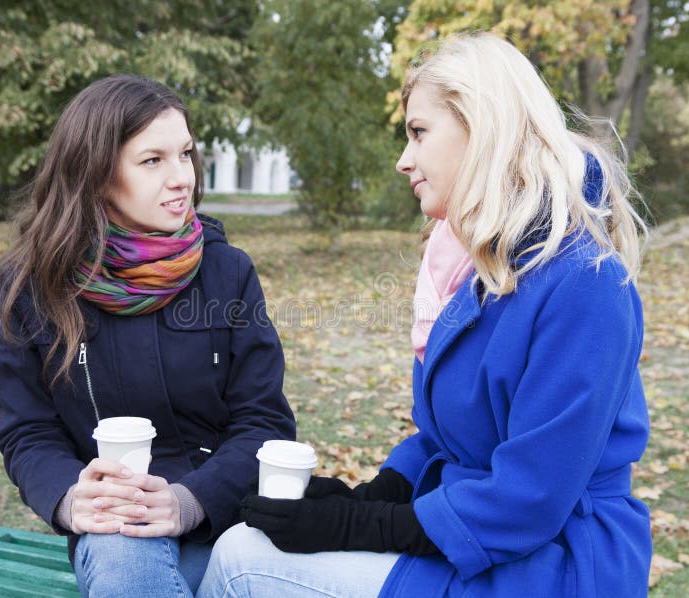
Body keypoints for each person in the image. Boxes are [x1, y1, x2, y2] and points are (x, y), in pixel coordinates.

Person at [197, 32, 652, 598]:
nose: (403, 160)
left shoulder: (584, 282)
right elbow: (446, 438)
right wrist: (373, 494)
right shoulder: (480, 264)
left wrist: (358, 525)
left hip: (554, 565)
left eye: (418, 132)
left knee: (241, 562)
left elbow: (530, 499)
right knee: (250, 542)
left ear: (481, 129)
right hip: (478, 538)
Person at [0, 74, 295, 597]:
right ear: (95, 174)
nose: (181, 178)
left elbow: (265, 421)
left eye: (185, 154)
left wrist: (189, 501)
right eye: (152, 160)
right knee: (125, 554)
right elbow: (28, 431)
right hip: (115, 525)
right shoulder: (31, 287)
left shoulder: (227, 273)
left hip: (226, 515)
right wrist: (70, 497)